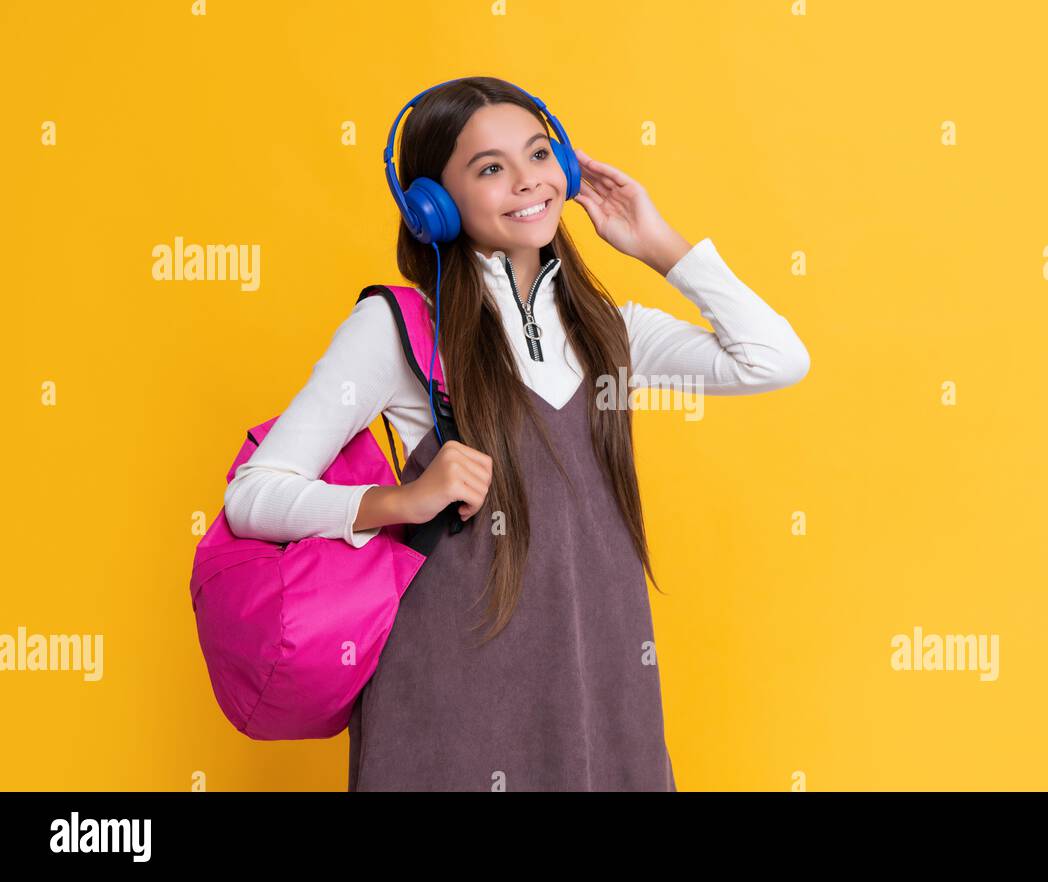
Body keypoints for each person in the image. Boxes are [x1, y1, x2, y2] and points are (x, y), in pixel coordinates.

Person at [223, 76, 811, 790]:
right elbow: (251, 497)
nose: (527, 181)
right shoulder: (399, 330)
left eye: (539, 155)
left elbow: (775, 360)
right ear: (431, 208)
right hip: (449, 711)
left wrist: (658, 244)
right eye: (490, 168)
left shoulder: (612, 335)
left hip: (601, 703)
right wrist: (395, 502)